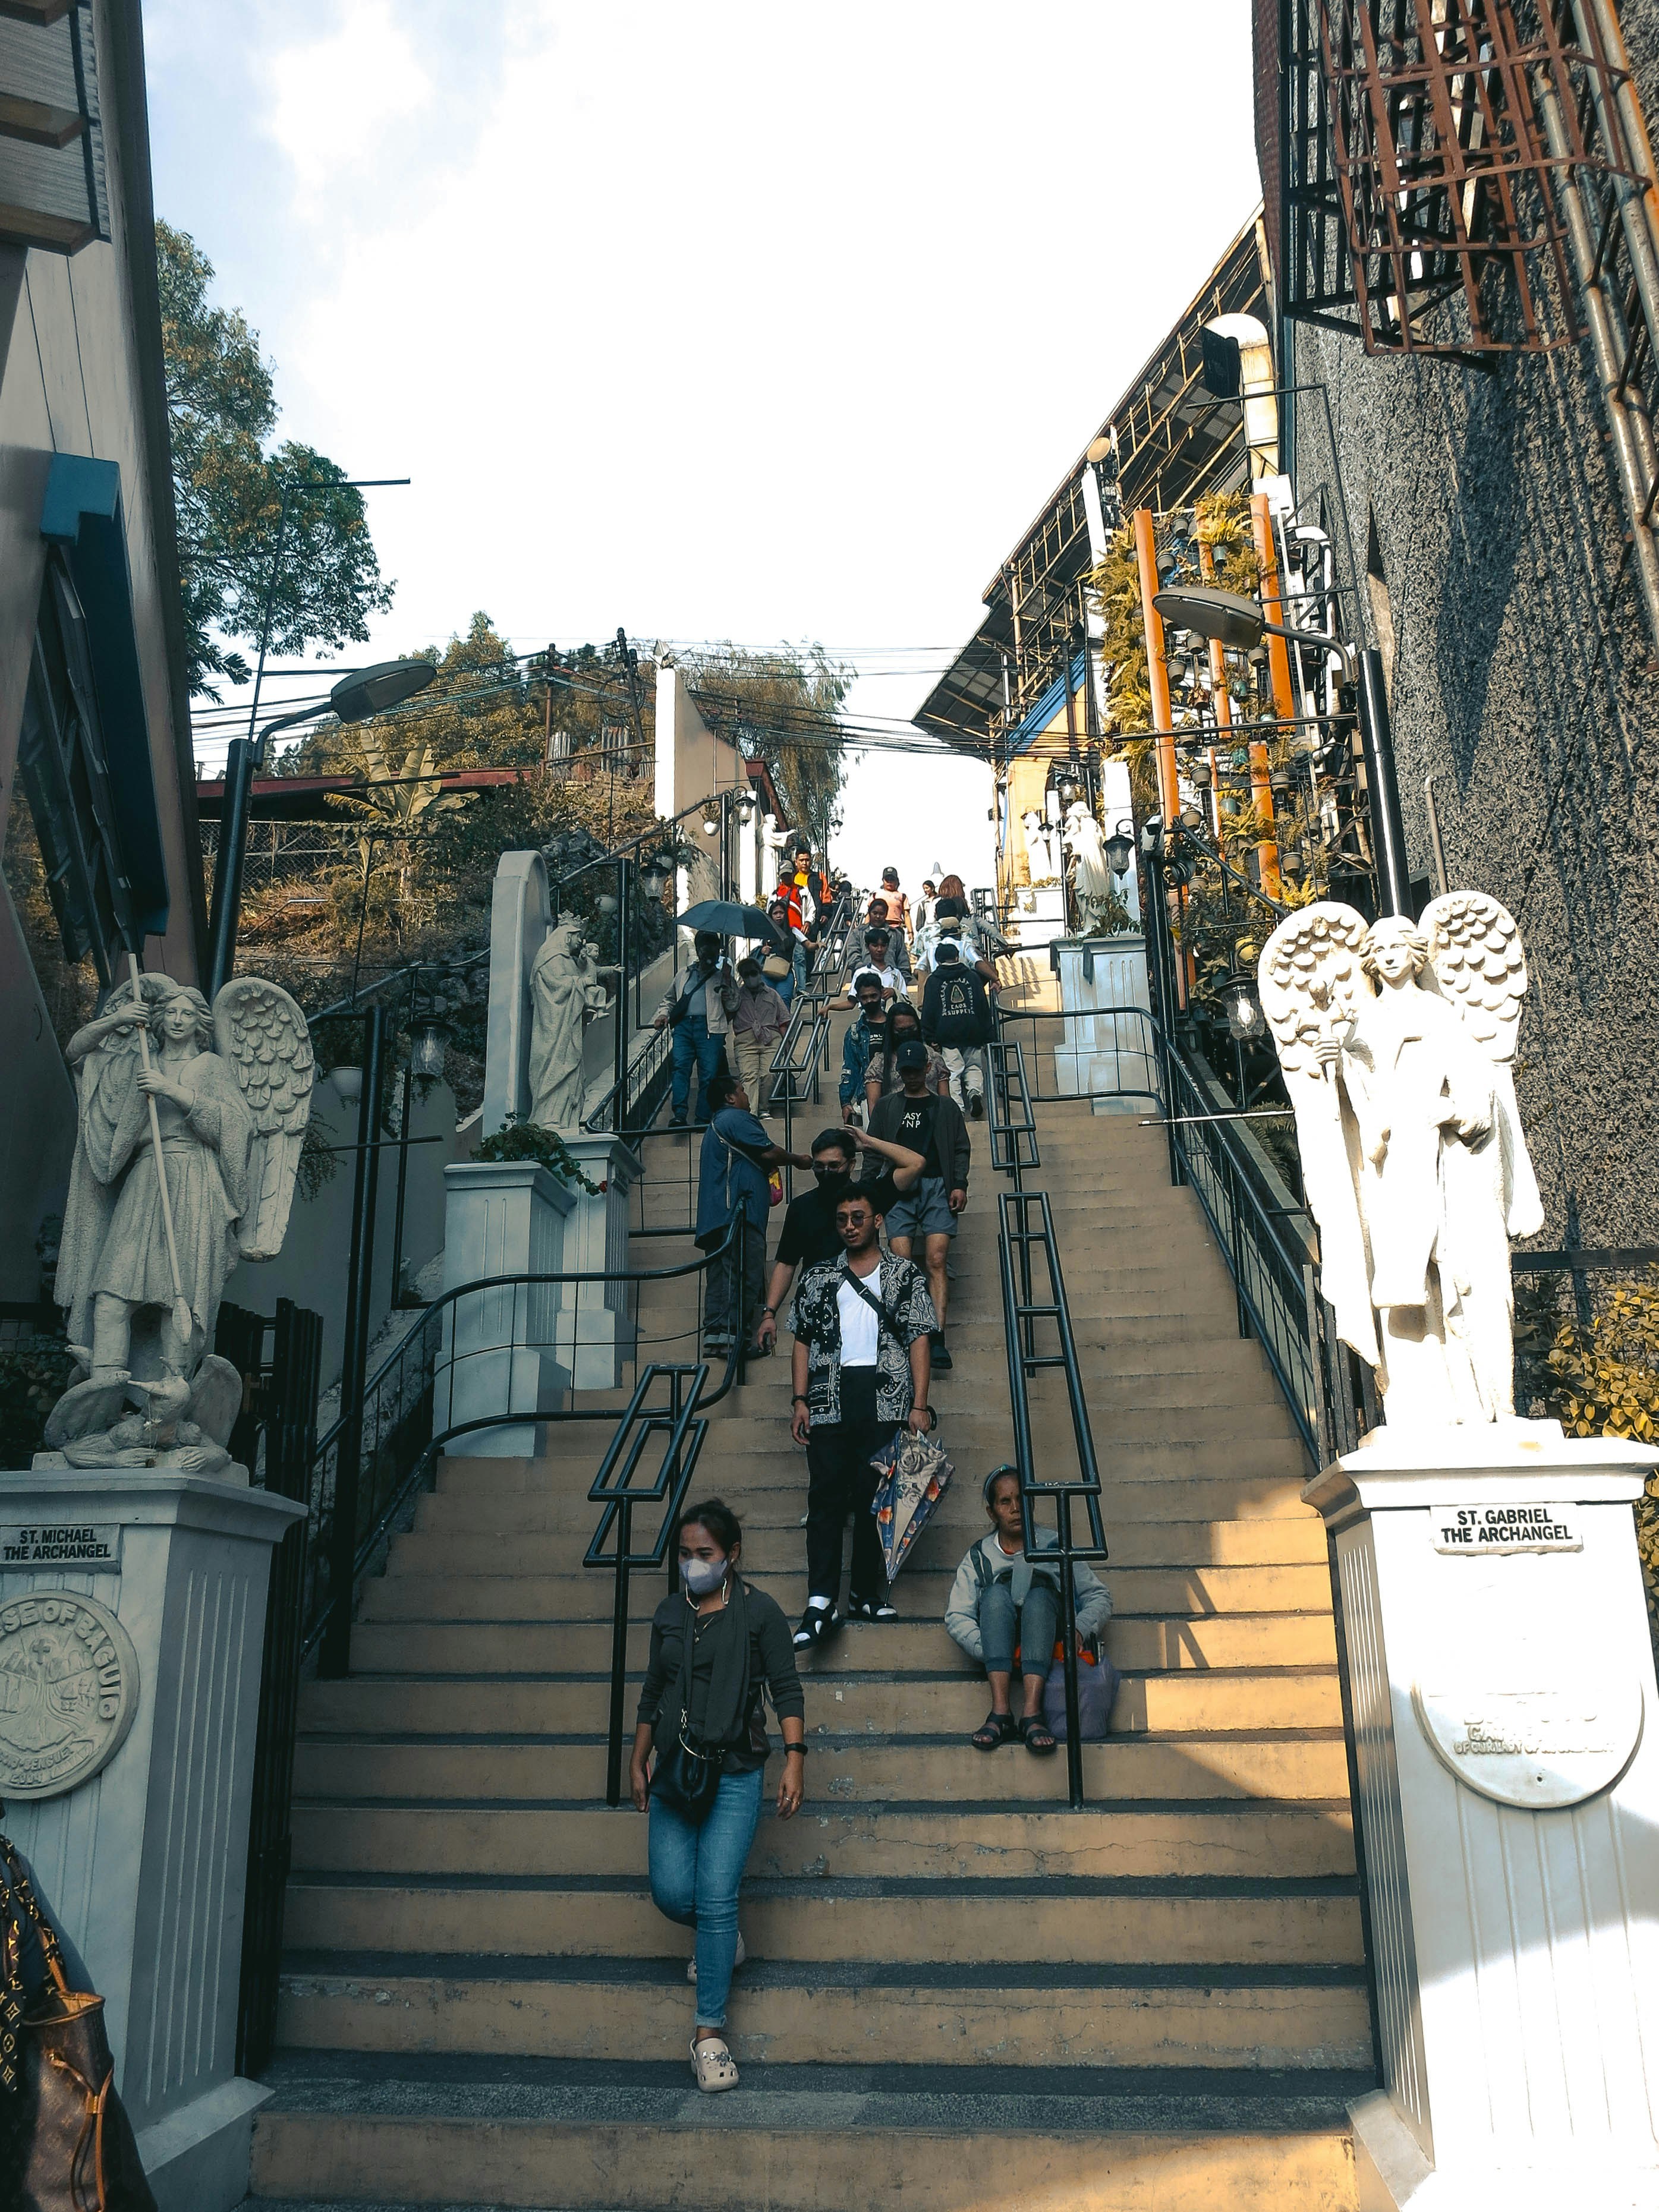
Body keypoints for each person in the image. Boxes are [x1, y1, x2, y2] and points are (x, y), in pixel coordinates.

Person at [631, 1499, 807, 2093]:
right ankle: (721, 1936)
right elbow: (654, 1686)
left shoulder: (759, 1613)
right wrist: (637, 1755)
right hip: (675, 1768)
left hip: (735, 1768)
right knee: (673, 1891)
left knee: (714, 1891)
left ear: (731, 1554)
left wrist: (794, 1761)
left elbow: (786, 1688)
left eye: (704, 1553)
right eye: (684, 1553)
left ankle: (708, 2034)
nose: (692, 1564)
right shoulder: (668, 1613)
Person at [788, 1185, 936, 1643]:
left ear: (876, 1221)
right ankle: (820, 1601)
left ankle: (864, 1594)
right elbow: (801, 1339)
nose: (849, 1226)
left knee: (877, 1499)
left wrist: (918, 1404)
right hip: (829, 1395)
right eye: (841, 1219)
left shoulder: (904, 1274)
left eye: (858, 1217)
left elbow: (918, 1337)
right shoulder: (817, 1277)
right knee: (826, 1498)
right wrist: (798, 1399)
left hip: (886, 1394)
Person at [945, 1466, 1113, 1757]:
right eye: (1005, 1502)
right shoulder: (979, 1555)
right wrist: (991, 1649)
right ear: (992, 1512)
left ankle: (1032, 1714)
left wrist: (1080, 1629)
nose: (1015, 1509)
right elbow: (956, 1615)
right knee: (996, 1594)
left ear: (1033, 1501)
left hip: (1047, 1635)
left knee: (1039, 1597)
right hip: (1001, 1644)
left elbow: (1098, 1596)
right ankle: (1000, 1713)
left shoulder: (1054, 1544)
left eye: (1022, 1499)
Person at [754, 1123, 925, 1354]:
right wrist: (769, 1313)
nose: (826, 1172)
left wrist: (869, 1143)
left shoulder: (868, 1197)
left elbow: (916, 1163)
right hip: (818, 1305)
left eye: (834, 1166)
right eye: (819, 1166)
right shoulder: (801, 1208)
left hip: (864, 1304)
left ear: (851, 1165)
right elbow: (786, 1263)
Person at [868, 1039, 970, 1372]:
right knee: (900, 1262)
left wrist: (959, 1184)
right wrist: (868, 1193)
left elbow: (959, 1148)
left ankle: (937, 1336)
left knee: (936, 1259)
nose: (911, 1076)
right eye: (906, 1071)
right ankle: (906, 1332)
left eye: (916, 1070)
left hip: (938, 1186)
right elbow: (873, 1151)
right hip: (898, 1188)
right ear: (900, 1072)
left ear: (928, 1069)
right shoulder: (886, 1107)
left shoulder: (945, 1108)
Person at [695, 1072, 812, 1355]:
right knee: (743, 1273)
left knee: (723, 1276)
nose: (747, 1097)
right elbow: (769, 1152)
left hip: (718, 1216)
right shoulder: (737, 1118)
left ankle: (719, 1336)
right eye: (743, 1091)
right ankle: (731, 1336)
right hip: (737, 1213)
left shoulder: (716, 1125)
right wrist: (798, 1161)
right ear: (730, 1098)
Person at [654, 931, 736, 1129]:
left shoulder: (722, 977)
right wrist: (663, 1014)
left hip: (711, 1029)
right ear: (699, 951)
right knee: (680, 1068)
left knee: (708, 1074)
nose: (709, 953)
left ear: (718, 952)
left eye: (713, 949)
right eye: (705, 948)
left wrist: (727, 981)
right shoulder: (684, 973)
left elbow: (734, 1006)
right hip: (684, 1026)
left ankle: (702, 1118)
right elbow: (670, 999)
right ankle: (680, 1114)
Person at [922, 937, 994, 1120]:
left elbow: (929, 1009)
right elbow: (981, 1005)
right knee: (974, 1067)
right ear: (957, 957)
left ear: (938, 960)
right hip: (973, 1031)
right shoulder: (972, 977)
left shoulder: (933, 980)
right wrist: (988, 1033)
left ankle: (957, 1109)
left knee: (952, 1071)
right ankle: (975, 1093)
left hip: (947, 1035)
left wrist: (930, 1036)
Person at [727, 957, 791, 1117]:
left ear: (760, 973)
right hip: (745, 1040)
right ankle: (750, 1113)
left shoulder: (772, 994)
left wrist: (787, 1043)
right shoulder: (738, 995)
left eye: (753, 973)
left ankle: (764, 1109)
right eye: (746, 974)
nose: (750, 977)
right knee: (749, 1076)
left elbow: (783, 1020)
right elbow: (728, 1012)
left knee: (769, 1074)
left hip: (771, 1038)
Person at [866, 998, 947, 1112]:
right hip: (895, 1121)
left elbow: (945, 1102)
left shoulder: (934, 1058)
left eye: (911, 1028)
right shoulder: (879, 1063)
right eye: (901, 1030)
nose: (907, 1033)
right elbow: (874, 1106)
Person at [839, 970, 889, 1121]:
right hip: (868, 1095)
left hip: (898, 1091)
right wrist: (846, 1102)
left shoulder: (895, 1025)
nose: (869, 1001)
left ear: (881, 993)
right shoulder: (855, 1032)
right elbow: (850, 1067)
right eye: (864, 998)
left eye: (873, 996)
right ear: (859, 999)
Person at [835, 928, 904, 1006]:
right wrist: (830, 1007)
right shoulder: (861, 973)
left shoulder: (896, 974)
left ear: (888, 947)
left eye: (883, 946)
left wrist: (894, 992)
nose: (879, 949)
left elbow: (905, 999)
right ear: (867, 947)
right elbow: (851, 1002)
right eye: (875, 946)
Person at [857, 899, 912, 982]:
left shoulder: (896, 934)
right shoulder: (858, 933)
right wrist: (864, 973)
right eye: (875, 913)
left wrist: (903, 980)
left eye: (881, 914)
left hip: (892, 980)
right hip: (865, 982)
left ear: (886, 914)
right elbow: (854, 957)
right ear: (869, 913)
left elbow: (903, 958)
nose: (878, 917)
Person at [765, 895, 804, 1006]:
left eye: (781, 913)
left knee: (785, 999)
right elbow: (757, 951)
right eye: (775, 913)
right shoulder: (765, 933)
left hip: (785, 973)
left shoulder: (793, 931)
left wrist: (819, 945)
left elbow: (808, 944)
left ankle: (785, 1024)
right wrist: (763, 950)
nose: (778, 916)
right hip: (768, 973)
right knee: (768, 1002)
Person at [878, 866, 909, 933]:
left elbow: (906, 915)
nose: (889, 882)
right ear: (883, 880)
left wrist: (910, 932)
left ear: (896, 881)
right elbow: (869, 914)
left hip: (897, 929)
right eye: (887, 879)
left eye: (892, 879)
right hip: (879, 928)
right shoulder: (876, 895)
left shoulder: (902, 896)